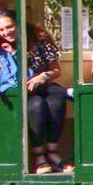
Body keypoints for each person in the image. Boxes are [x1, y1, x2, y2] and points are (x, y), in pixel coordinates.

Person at [19, 14, 70, 173]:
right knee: (36, 105)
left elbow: (55, 69)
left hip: (43, 85)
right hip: (21, 90)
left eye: (11, 26)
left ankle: (53, 152)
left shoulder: (40, 39)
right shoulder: (1, 44)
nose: (7, 32)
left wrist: (42, 76)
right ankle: (38, 156)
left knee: (57, 98)